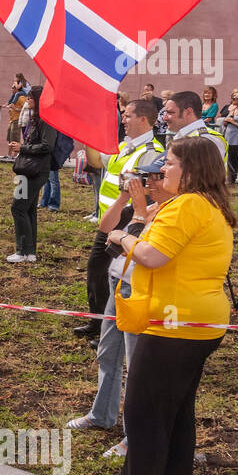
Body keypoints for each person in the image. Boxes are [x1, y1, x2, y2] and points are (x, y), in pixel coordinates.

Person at [101, 136, 234, 475]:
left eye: (171, 164)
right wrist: (136, 211)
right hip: (198, 322)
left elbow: (152, 255)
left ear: (191, 170)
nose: (163, 171)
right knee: (175, 415)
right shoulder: (207, 204)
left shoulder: (190, 204)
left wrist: (123, 238)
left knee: (145, 415)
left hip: (176, 325)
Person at [67, 155, 173, 453]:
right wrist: (127, 196)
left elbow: (143, 250)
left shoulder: (171, 211)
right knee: (108, 352)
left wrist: (140, 212)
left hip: (139, 290)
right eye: (146, 177)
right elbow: (106, 229)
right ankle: (102, 414)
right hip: (118, 283)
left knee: (135, 363)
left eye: (155, 177)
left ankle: (134, 435)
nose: (149, 183)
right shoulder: (146, 206)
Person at [76, 99, 164, 341]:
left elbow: (147, 192)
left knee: (113, 276)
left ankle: (107, 327)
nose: (123, 119)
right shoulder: (126, 146)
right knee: (96, 272)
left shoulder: (151, 153)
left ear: (143, 119)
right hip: (110, 221)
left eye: (127, 115)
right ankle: (97, 322)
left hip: (126, 224)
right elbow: (98, 162)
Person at [8, 86, 58, 263]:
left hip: (36, 170)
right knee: (28, 209)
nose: (27, 101)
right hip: (27, 169)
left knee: (18, 207)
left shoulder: (46, 120)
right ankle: (29, 252)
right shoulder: (34, 119)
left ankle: (22, 251)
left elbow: (47, 146)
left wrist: (23, 147)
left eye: (30, 98)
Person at [162, 89, 227, 162]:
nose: (164, 118)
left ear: (188, 112)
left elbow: (208, 172)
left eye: (170, 112)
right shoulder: (183, 135)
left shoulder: (206, 139)